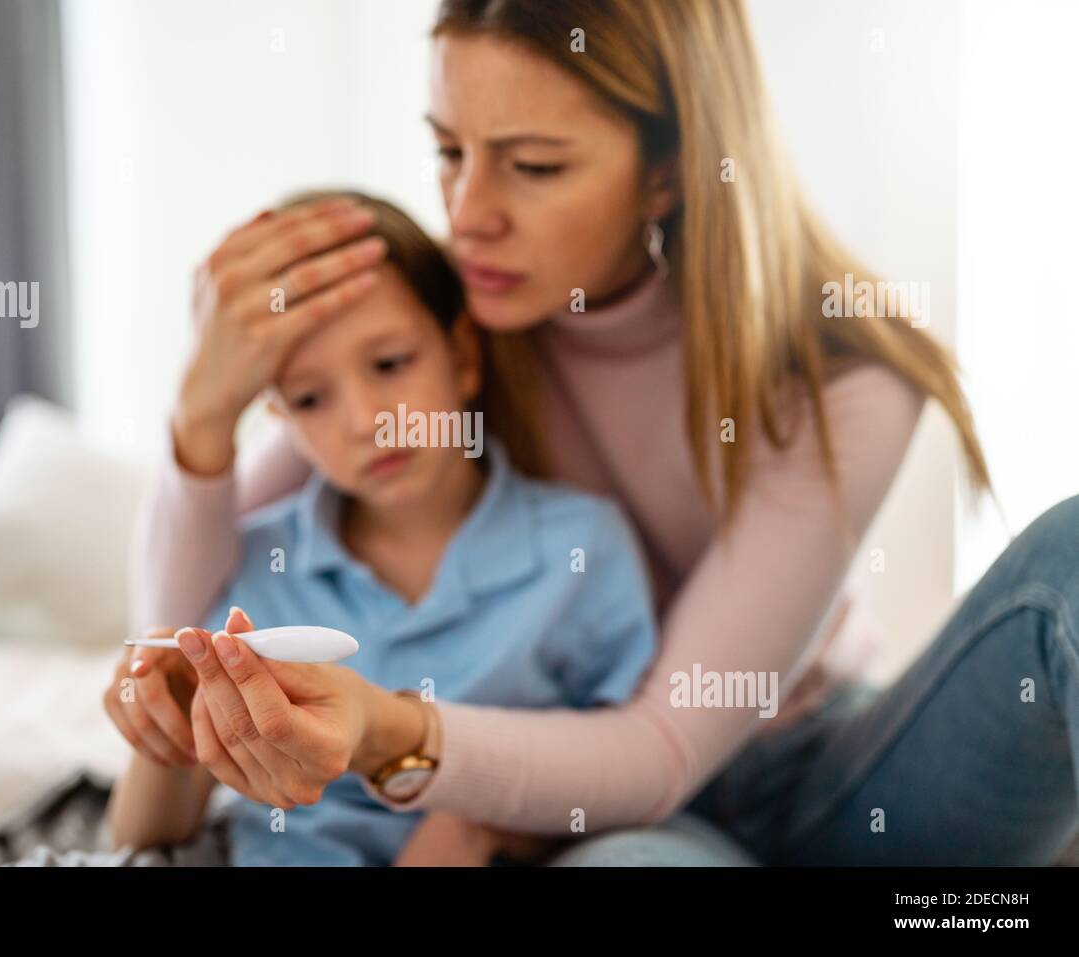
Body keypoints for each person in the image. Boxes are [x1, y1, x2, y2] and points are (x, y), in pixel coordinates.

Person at [121, 0, 1079, 865]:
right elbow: (186, 624)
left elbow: (662, 748)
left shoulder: (844, 376)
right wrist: (201, 419)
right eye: (449, 151)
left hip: (822, 775)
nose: (468, 216)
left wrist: (393, 733)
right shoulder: (453, 323)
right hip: (585, 818)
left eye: (534, 165)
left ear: (669, 172)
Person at [105, 192, 660, 865]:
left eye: (391, 364)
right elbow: (140, 841)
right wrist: (163, 737)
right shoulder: (256, 565)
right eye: (311, 397)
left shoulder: (580, 548)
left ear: (463, 355)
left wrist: (479, 825)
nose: (367, 420)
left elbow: (622, 780)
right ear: (281, 418)